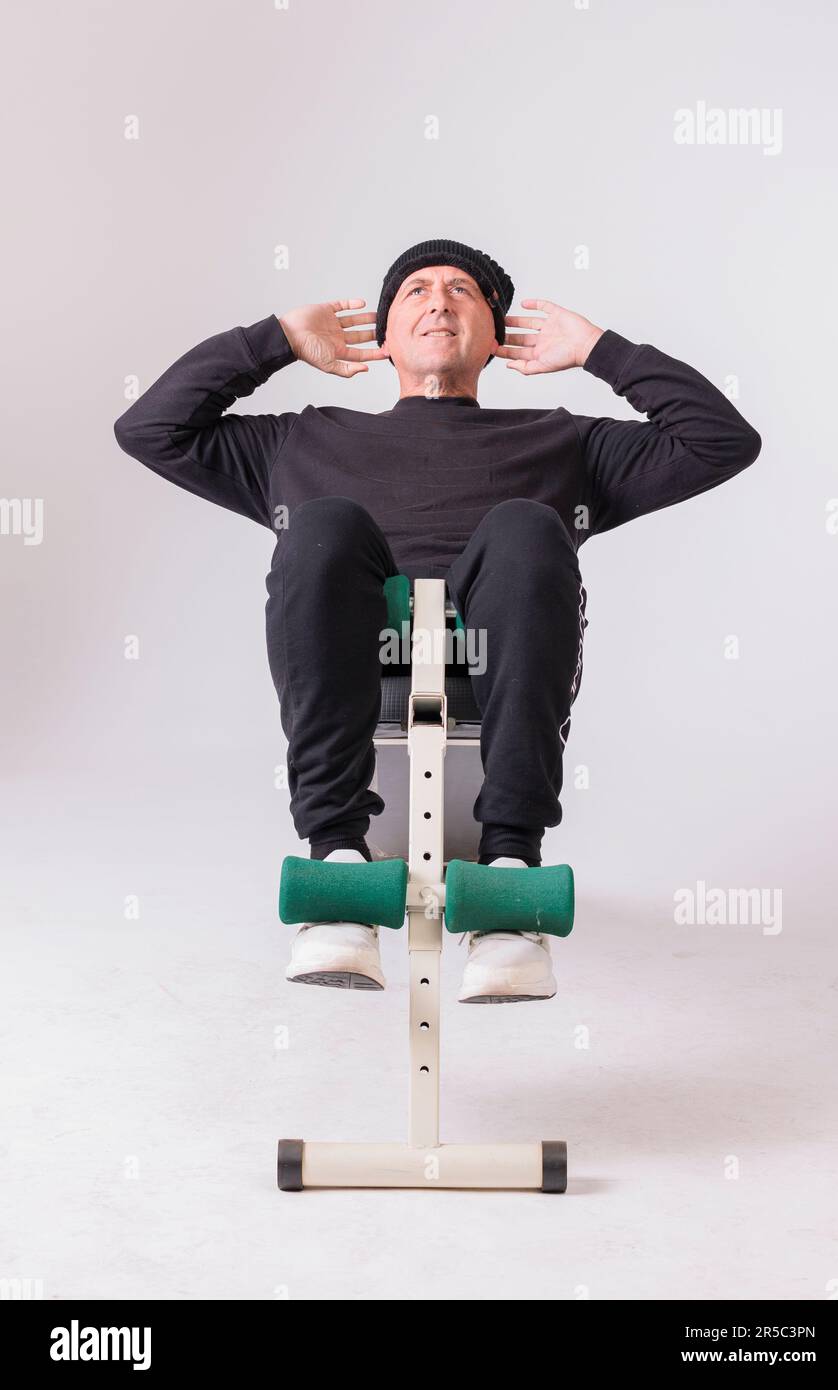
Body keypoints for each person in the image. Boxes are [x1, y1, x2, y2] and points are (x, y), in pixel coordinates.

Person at [113, 237, 761, 1001]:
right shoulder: (303, 439)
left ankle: (509, 877)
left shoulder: (563, 439)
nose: (439, 299)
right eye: (416, 290)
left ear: (498, 338)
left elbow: (722, 441)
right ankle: (338, 870)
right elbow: (150, 429)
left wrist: (600, 351)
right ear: (383, 340)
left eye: (463, 291)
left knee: (524, 524)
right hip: (358, 679)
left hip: (502, 677)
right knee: (321, 525)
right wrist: (277, 340)